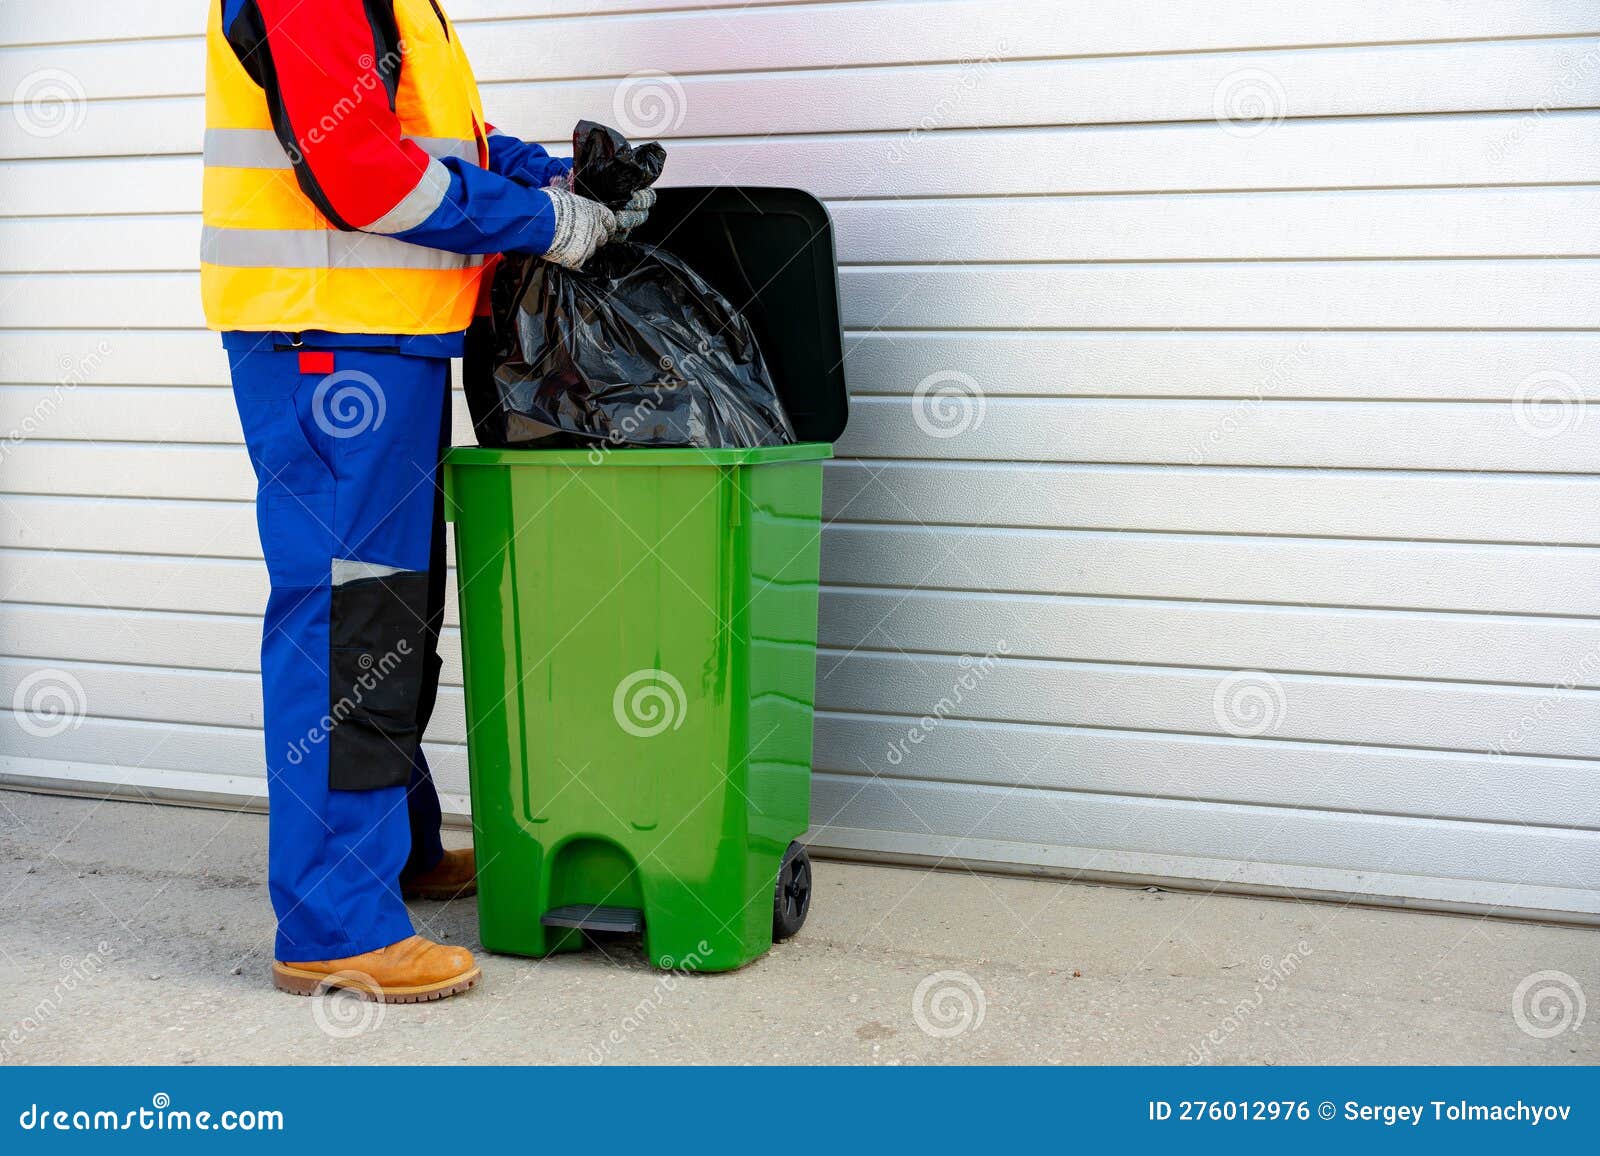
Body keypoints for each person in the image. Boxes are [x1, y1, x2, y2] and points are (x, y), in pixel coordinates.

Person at [200, 0, 652, 1003]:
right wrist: (538, 222)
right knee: (349, 619)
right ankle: (333, 922)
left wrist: (545, 176)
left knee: (392, 607)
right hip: (327, 343)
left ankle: (393, 849)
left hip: (380, 340)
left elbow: (435, 135)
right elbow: (360, 170)